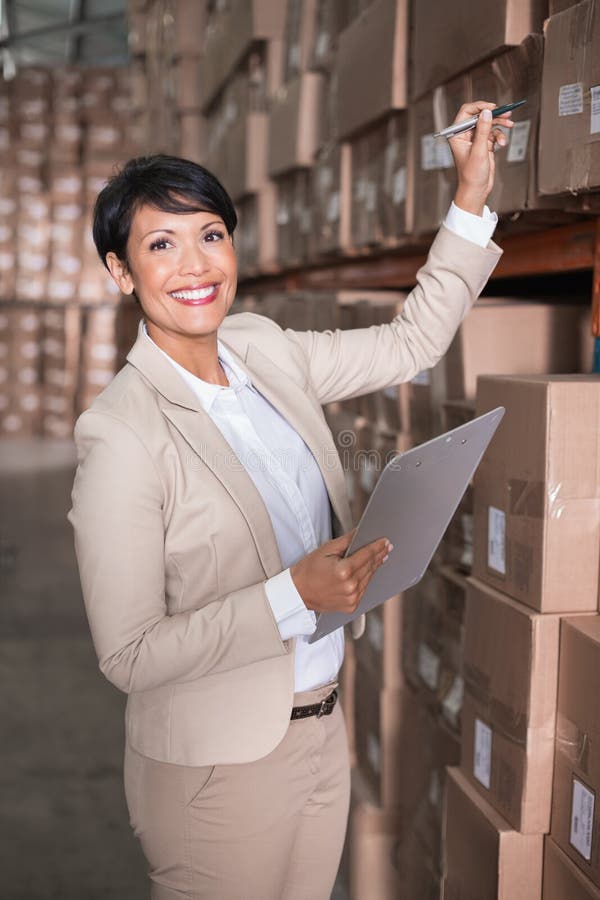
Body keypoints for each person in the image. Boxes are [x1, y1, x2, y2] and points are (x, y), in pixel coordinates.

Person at [69, 101, 511, 900]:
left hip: (320, 730)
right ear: (121, 273)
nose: (196, 265)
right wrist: (291, 596)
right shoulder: (120, 434)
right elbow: (128, 654)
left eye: (211, 234)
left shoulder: (263, 348)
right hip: (214, 770)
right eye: (160, 245)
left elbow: (412, 343)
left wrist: (470, 199)